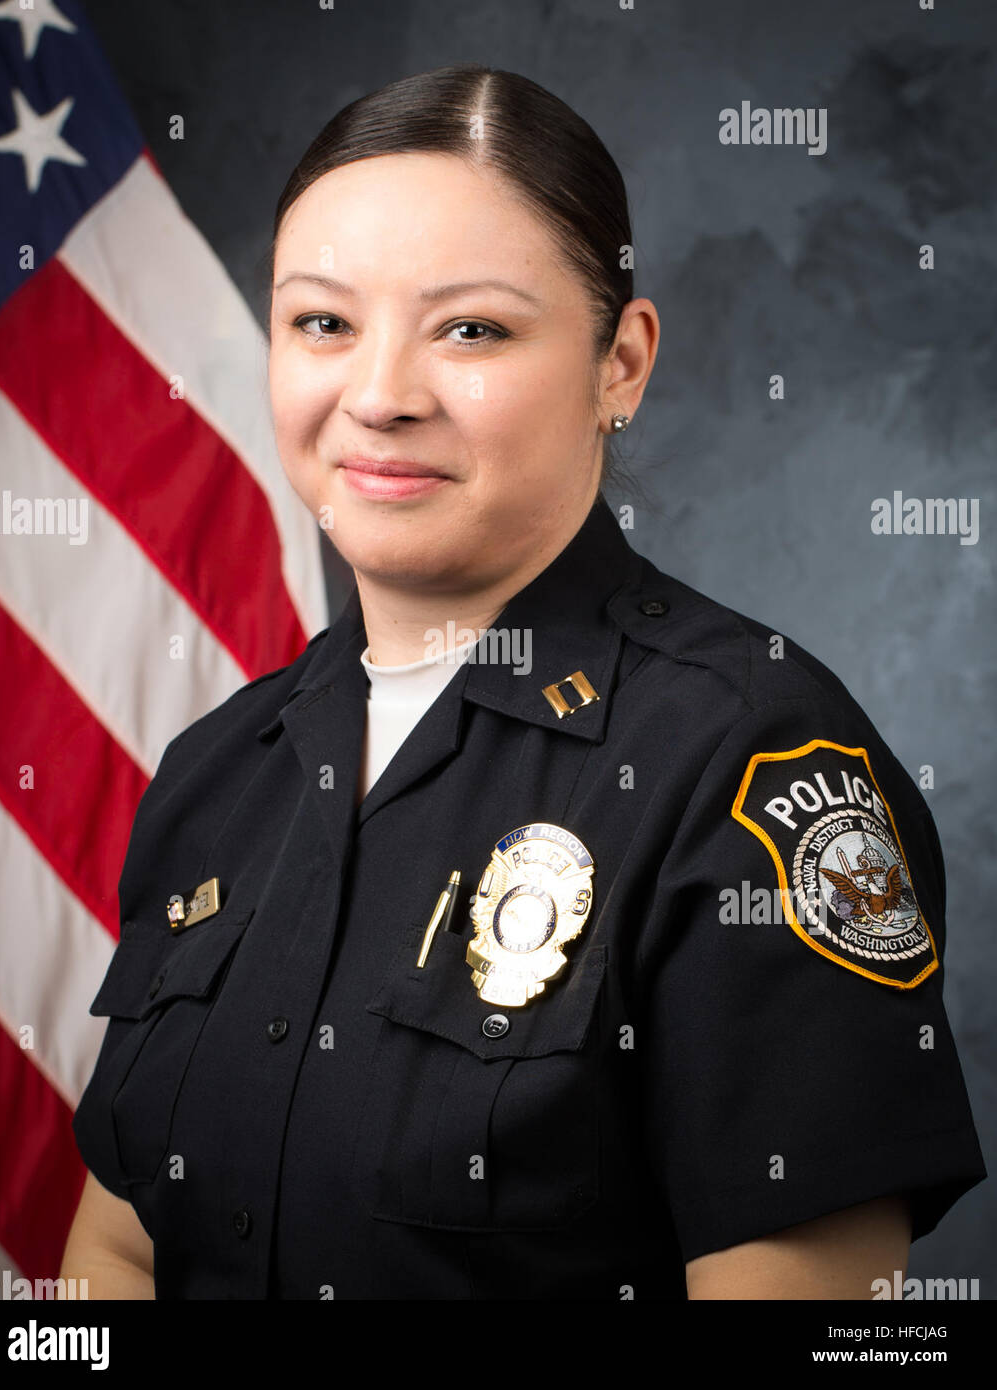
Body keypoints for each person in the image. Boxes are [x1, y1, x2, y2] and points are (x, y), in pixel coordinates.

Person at [61, 63, 986, 1300]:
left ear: (622, 364)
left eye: (472, 328)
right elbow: (117, 1247)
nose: (379, 397)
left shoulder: (750, 759)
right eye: (322, 322)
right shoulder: (219, 771)